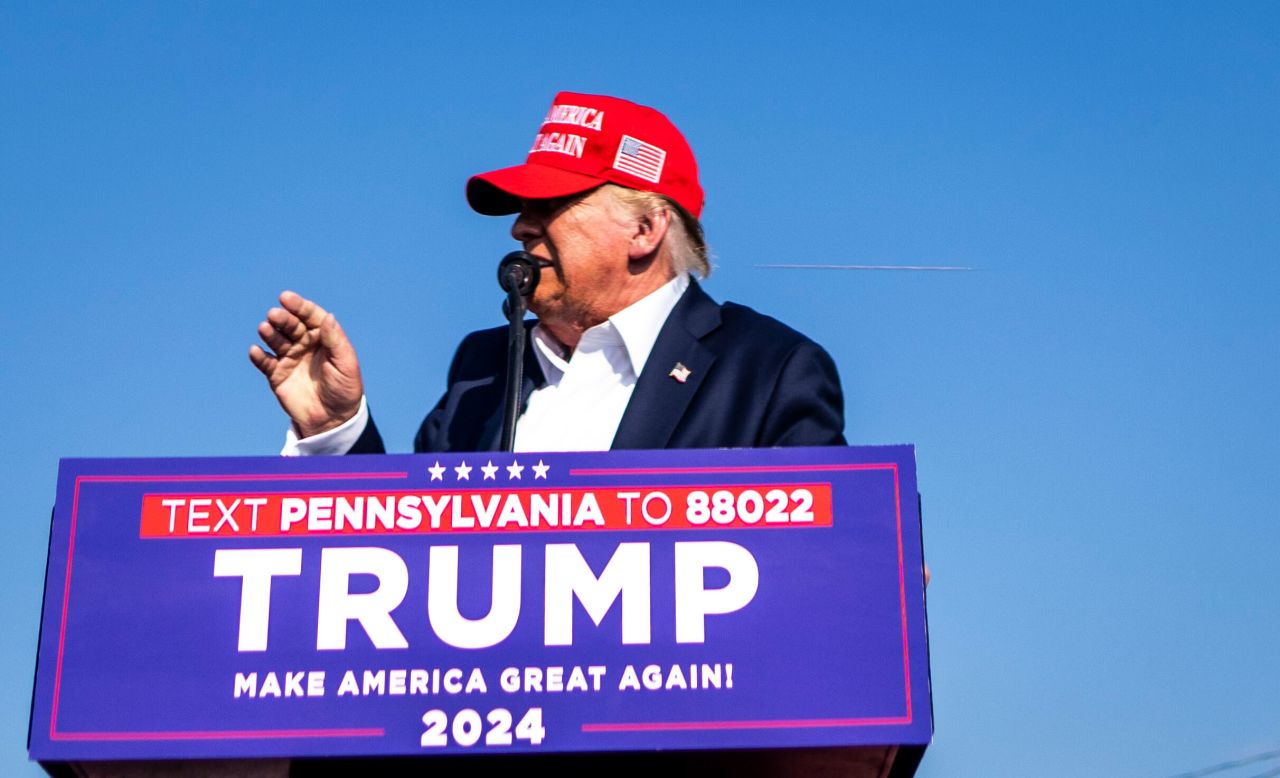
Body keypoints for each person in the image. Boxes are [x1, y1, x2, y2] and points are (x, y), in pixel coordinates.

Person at [250, 91, 846, 454]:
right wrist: (334, 429)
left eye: (551, 207)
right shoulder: (480, 371)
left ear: (645, 231)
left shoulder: (770, 368)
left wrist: (870, 571)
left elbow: (824, 561)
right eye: (520, 211)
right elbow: (407, 562)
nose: (520, 229)